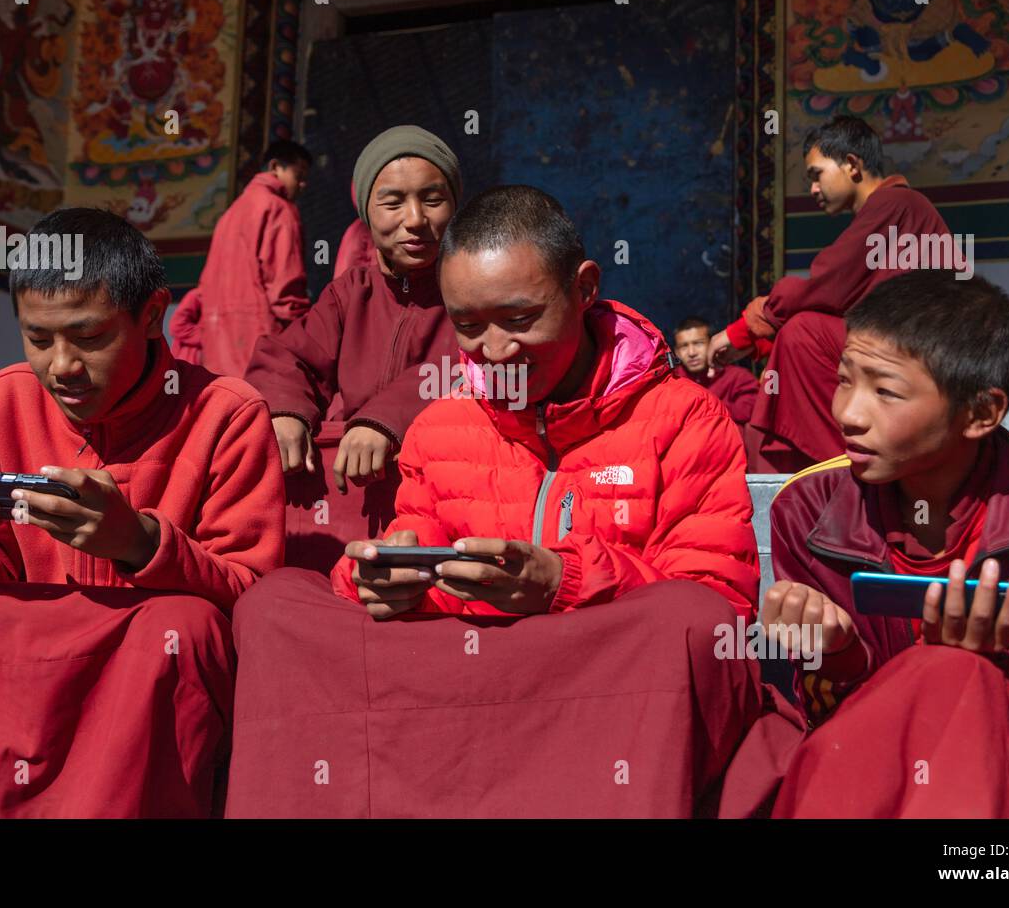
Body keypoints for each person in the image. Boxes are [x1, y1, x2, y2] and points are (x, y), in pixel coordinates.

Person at [225, 186, 778, 818]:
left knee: (690, 620)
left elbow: (719, 605)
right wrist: (379, 581)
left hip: (600, 687)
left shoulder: (683, 416)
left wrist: (566, 583)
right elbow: (416, 557)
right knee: (276, 605)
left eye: (519, 320)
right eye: (467, 326)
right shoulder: (440, 426)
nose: (494, 351)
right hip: (464, 672)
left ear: (585, 288)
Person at [0, 208, 285, 818]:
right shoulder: (2, 398)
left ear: (152, 315)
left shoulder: (225, 413)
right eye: (38, 339)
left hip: (132, 643)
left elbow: (250, 590)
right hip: (23, 634)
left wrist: (140, 543)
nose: (61, 366)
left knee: (184, 627)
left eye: (88, 337)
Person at [763, 270, 1009, 818]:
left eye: (885, 391)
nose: (847, 414)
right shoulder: (808, 510)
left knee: (956, 675)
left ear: (980, 413)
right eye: (844, 379)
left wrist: (977, 669)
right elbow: (829, 724)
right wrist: (835, 654)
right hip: (867, 777)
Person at [243, 126, 462, 565]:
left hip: (438, 493)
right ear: (366, 210)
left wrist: (384, 418)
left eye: (432, 199)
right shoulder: (351, 291)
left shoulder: (471, 286)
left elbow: (473, 364)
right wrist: (286, 409)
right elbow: (290, 355)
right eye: (393, 201)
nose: (416, 219)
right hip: (350, 499)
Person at [708, 115, 953, 471]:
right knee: (796, 340)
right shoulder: (897, 209)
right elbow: (844, 301)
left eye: (816, 175)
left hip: (921, 355)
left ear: (852, 165)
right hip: (903, 349)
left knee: (802, 333)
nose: (813, 189)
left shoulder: (897, 205)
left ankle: (840, 467)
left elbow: (827, 286)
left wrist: (746, 327)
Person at [196, 140, 312, 377]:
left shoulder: (231, 212)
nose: (303, 184)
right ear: (275, 166)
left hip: (218, 343)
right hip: (260, 342)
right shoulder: (279, 208)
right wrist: (305, 335)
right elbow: (285, 287)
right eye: (298, 175)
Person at [672, 315, 758, 430]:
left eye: (698, 343)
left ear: (712, 344)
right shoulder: (671, 382)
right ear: (676, 352)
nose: (691, 353)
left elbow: (752, 410)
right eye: (684, 346)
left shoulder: (738, 377)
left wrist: (703, 409)